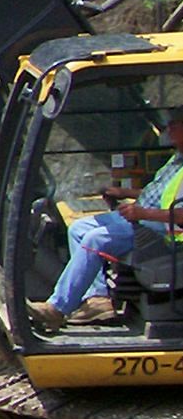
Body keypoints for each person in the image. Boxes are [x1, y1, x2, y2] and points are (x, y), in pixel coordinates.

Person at [29, 110, 183, 331]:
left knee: (96, 239)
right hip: (146, 217)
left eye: (175, 124)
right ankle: (97, 300)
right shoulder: (177, 159)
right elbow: (161, 193)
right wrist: (124, 192)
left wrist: (142, 214)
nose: (169, 129)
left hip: (164, 231)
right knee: (79, 228)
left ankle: (57, 308)